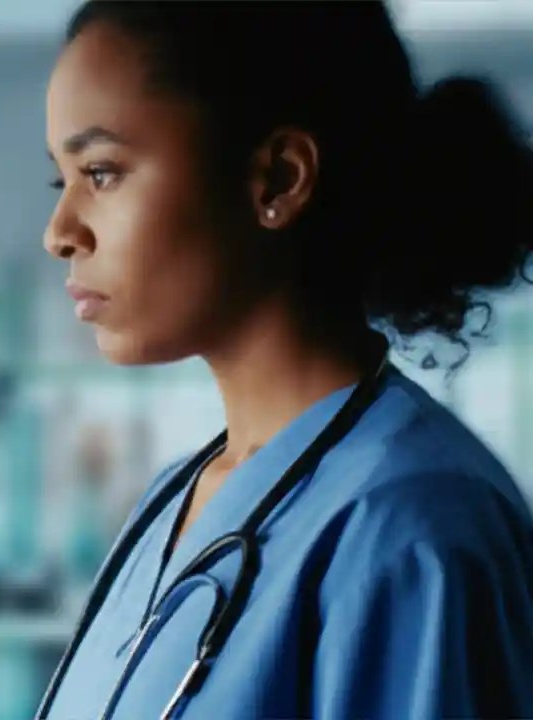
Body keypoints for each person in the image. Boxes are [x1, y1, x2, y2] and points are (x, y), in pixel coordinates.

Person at [38, 2, 533, 718]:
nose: (60, 232)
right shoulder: (175, 504)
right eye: (63, 181)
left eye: (103, 173)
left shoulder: (413, 529)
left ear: (276, 178)